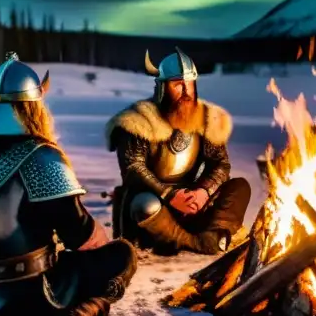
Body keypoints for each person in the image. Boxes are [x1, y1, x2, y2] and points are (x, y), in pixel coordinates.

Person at [0, 53, 137, 316]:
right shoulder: (42, 158)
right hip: (33, 298)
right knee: (123, 254)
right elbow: (79, 236)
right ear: (33, 107)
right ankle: (84, 313)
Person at [105, 48, 251, 255]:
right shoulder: (139, 120)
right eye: (178, 85)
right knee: (145, 206)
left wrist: (203, 192)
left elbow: (220, 163)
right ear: (163, 87)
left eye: (189, 84)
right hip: (155, 198)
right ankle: (195, 242)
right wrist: (170, 194)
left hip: (192, 197)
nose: (186, 91)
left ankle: (213, 232)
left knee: (240, 187)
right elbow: (133, 169)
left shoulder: (205, 119)